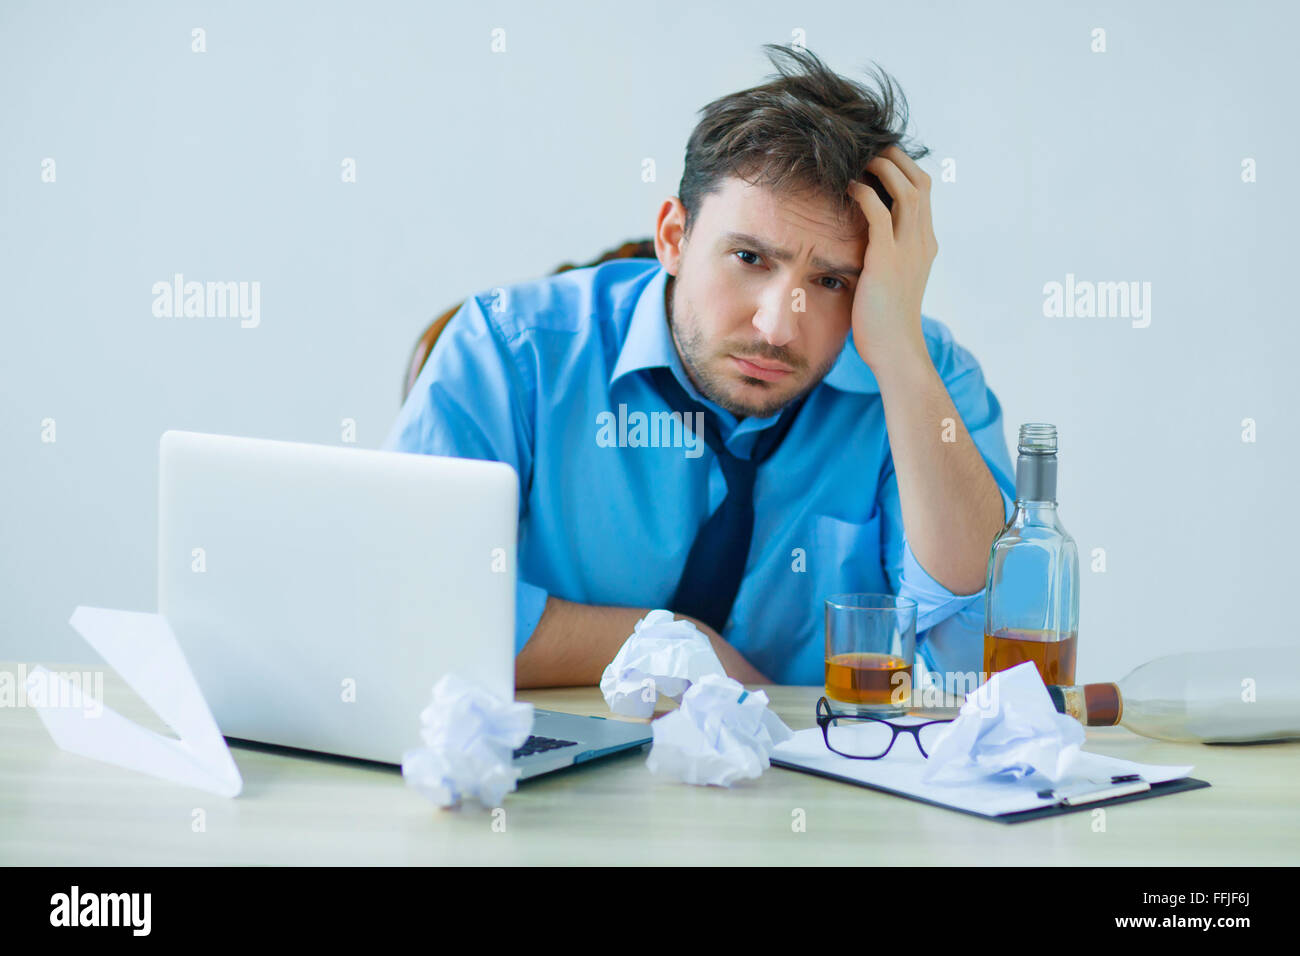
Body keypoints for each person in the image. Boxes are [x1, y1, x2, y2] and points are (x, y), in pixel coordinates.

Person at [383, 44, 1016, 690]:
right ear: (673, 237)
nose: (777, 327)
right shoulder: (509, 349)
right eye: (749, 259)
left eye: (830, 281)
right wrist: (681, 650)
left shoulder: (924, 378)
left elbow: (981, 651)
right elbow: (410, 601)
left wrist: (901, 355)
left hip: (820, 783)